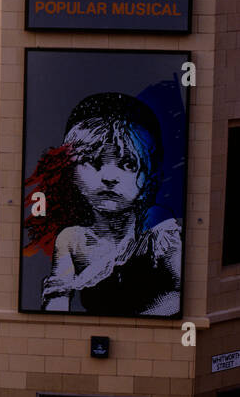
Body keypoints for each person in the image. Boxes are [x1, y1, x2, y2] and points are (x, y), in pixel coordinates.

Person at [25, 92, 181, 316]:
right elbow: (57, 296)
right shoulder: (72, 240)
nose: (109, 176)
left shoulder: (157, 227)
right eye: (93, 161)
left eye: (127, 163)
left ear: (149, 174)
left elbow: (177, 292)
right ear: (71, 171)